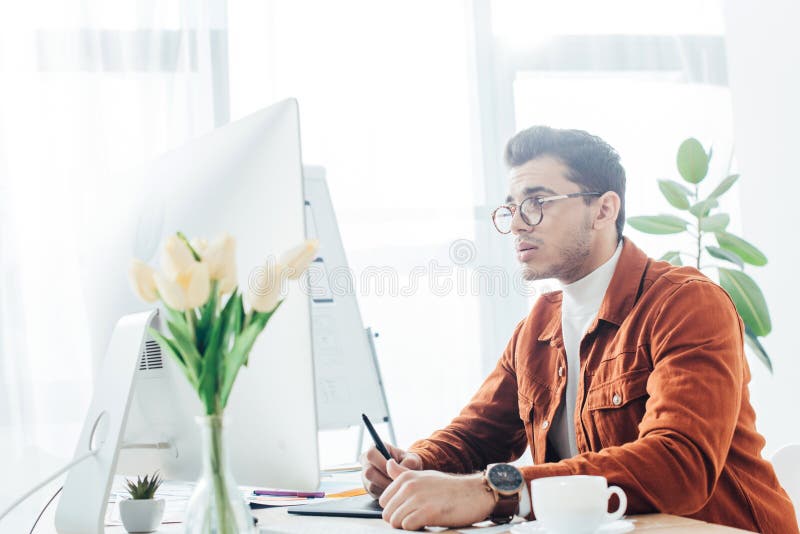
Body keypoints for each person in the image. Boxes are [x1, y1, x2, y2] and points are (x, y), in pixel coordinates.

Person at [360, 126, 798, 533]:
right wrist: (414, 464)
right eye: (512, 207)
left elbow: (677, 464)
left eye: (537, 202)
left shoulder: (686, 304)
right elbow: (477, 436)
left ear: (604, 209)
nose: (517, 223)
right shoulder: (536, 328)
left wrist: (496, 491)